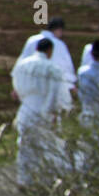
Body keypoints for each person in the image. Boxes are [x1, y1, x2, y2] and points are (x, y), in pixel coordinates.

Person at [11, 37, 70, 186]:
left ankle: (25, 179)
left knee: (25, 145)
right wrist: (52, 112)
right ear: (50, 50)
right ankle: (45, 179)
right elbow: (55, 94)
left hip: (25, 109)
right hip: (42, 109)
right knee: (46, 146)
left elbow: (17, 87)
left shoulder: (21, 66)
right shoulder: (52, 68)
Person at [18, 17, 76, 98]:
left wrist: (18, 85)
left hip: (31, 86)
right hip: (53, 87)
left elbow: (21, 64)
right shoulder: (59, 44)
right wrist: (70, 84)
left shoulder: (32, 40)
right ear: (59, 29)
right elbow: (65, 67)